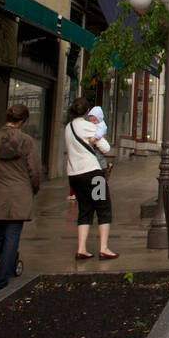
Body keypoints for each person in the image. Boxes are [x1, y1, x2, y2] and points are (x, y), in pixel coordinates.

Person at [0, 104, 42, 294]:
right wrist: (34, 188)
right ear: (24, 120)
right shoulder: (27, 141)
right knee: (12, 238)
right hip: (20, 193)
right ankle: (2, 283)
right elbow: (35, 171)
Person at [66, 97, 116, 260]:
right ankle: (104, 248)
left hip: (74, 175)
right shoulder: (89, 127)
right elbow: (106, 148)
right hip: (94, 174)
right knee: (104, 208)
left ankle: (81, 248)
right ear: (87, 112)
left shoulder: (68, 128)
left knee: (85, 209)